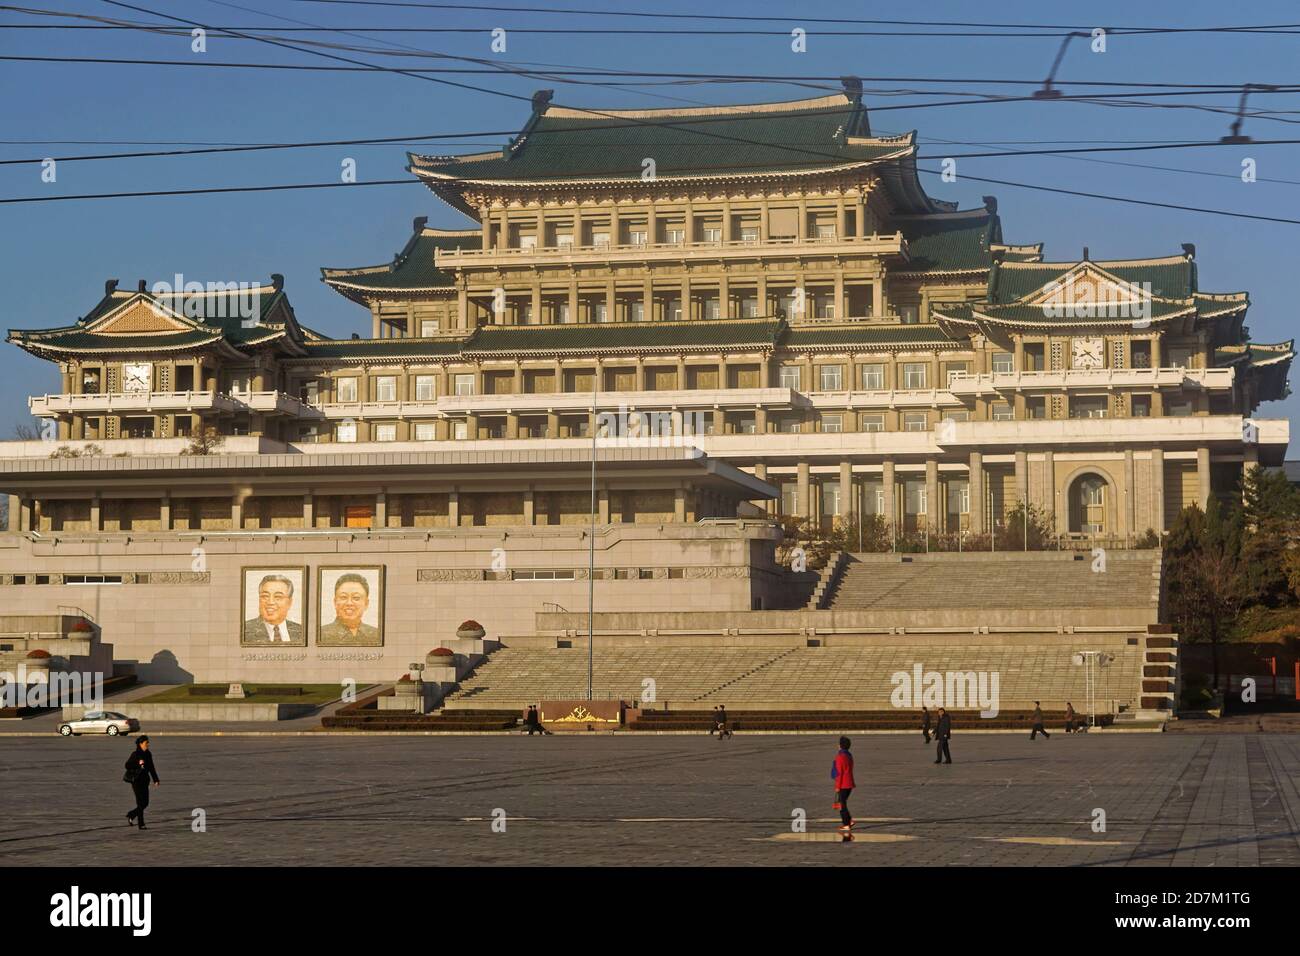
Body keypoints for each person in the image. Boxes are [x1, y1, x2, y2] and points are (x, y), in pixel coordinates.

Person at [319, 573, 381, 645]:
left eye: (356, 598)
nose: (349, 603)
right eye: (343, 597)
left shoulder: (376, 634)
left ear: (366, 603)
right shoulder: (322, 634)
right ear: (335, 602)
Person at [242, 573, 304, 644]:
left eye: (278, 597)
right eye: (265, 596)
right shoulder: (245, 630)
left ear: (289, 602)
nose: (270, 602)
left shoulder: (301, 631)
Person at [124, 736, 159, 830]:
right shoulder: (135, 754)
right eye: (146, 743)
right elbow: (127, 765)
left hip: (145, 781)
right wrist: (137, 763)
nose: (148, 744)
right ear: (141, 744)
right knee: (140, 803)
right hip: (136, 781)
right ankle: (141, 824)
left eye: (148, 742)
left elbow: (151, 767)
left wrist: (156, 779)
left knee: (145, 803)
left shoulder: (148, 754)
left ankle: (131, 815)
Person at [831, 736, 855, 831]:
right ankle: (849, 821)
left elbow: (839, 773)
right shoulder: (849, 755)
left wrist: (837, 786)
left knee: (841, 805)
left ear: (840, 746)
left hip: (843, 784)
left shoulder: (840, 757)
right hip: (850, 783)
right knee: (843, 803)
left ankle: (846, 824)